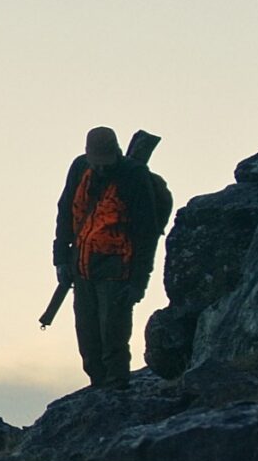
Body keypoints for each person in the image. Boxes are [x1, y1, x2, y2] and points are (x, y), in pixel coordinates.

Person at [53, 126, 173, 387]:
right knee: (87, 337)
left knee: (114, 338)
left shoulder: (134, 177)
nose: (101, 169)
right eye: (97, 163)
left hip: (118, 271)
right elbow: (65, 213)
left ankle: (116, 388)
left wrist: (138, 283)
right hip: (82, 267)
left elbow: (146, 233)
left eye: (105, 163)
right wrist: (61, 259)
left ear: (117, 152)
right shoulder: (79, 169)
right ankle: (98, 386)